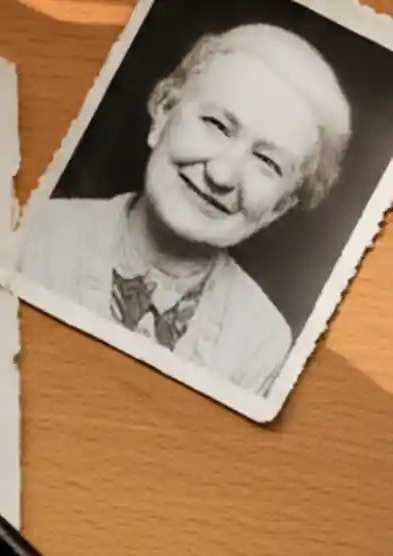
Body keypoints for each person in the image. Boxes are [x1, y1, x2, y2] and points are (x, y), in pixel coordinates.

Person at [20, 23, 352, 396]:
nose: (222, 174)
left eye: (266, 161)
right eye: (216, 125)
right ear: (163, 111)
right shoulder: (33, 232)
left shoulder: (263, 344)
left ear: (280, 206)